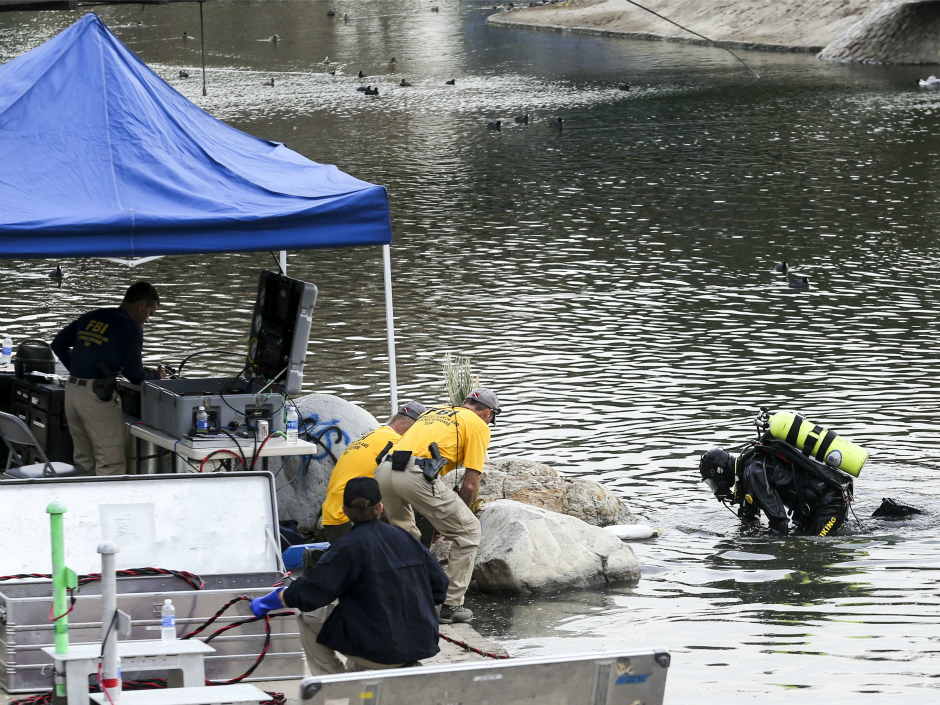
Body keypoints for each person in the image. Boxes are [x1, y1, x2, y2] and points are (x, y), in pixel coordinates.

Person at [250, 477, 448, 674]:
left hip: (380, 652)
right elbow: (440, 585)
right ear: (380, 507)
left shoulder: (348, 547)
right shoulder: (405, 537)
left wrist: (272, 600)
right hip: (420, 644)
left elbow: (310, 593)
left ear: (344, 511)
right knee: (363, 617)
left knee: (307, 613)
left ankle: (333, 682)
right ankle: (365, 674)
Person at [374, 388, 500, 624]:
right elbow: (470, 484)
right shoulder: (479, 425)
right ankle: (450, 606)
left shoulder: (433, 411)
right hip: (414, 473)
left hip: (385, 469)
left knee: (405, 537)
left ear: (465, 403)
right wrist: (460, 519)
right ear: (488, 413)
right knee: (469, 531)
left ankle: (399, 596)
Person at [51, 282, 166, 476]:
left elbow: (58, 344)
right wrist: (157, 375)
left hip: (72, 392)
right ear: (141, 304)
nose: (147, 320)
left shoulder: (92, 316)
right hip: (96, 397)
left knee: (84, 461)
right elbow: (136, 376)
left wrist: (78, 370)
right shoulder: (131, 327)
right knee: (110, 464)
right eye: (150, 313)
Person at [320, 400, 427, 543]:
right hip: (352, 520)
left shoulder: (371, 437)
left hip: (332, 519)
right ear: (413, 428)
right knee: (426, 507)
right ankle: (420, 553)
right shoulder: (398, 442)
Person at [699, 441, 851, 537]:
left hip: (830, 502)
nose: (715, 488)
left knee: (815, 548)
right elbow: (750, 519)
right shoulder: (746, 473)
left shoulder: (753, 474)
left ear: (719, 472)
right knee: (802, 539)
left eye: (712, 483)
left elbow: (780, 522)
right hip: (816, 505)